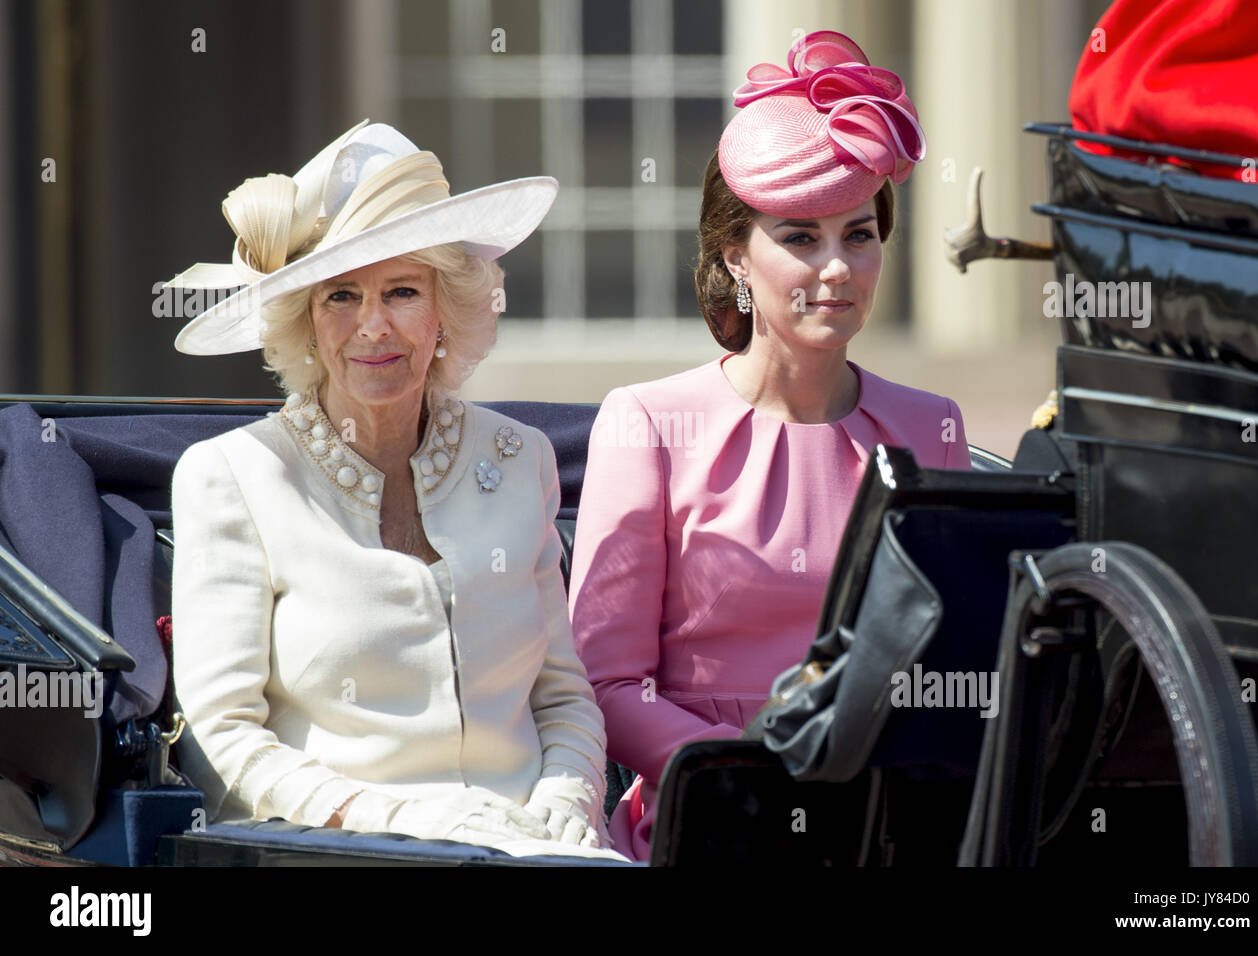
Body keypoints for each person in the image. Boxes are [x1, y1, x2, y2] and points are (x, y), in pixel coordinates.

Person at [568, 30, 971, 861]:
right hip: (711, 820)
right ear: (734, 259)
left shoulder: (932, 428)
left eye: (859, 235)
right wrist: (745, 773)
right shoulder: (646, 422)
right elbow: (603, 685)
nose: (837, 268)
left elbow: (955, 663)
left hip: (888, 827)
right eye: (799, 238)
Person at [167, 121, 618, 858]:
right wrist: (412, 825)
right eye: (341, 295)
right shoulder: (234, 476)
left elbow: (562, 698)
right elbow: (224, 742)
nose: (372, 326)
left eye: (402, 290)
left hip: (539, 847)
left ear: (446, 311)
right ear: (307, 324)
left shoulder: (520, 458)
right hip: (335, 854)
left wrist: (567, 798)